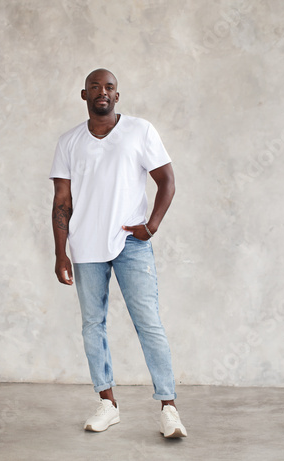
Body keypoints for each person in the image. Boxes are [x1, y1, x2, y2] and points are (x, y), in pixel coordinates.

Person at [49, 68, 186, 438]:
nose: (102, 92)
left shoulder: (140, 130)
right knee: (93, 325)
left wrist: (152, 225)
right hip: (85, 246)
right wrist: (60, 253)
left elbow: (167, 180)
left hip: (130, 243)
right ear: (84, 95)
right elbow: (62, 201)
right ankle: (107, 403)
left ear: (117, 96)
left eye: (109, 87)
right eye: (95, 86)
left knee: (148, 322)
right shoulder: (69, 141)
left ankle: (169, 407)